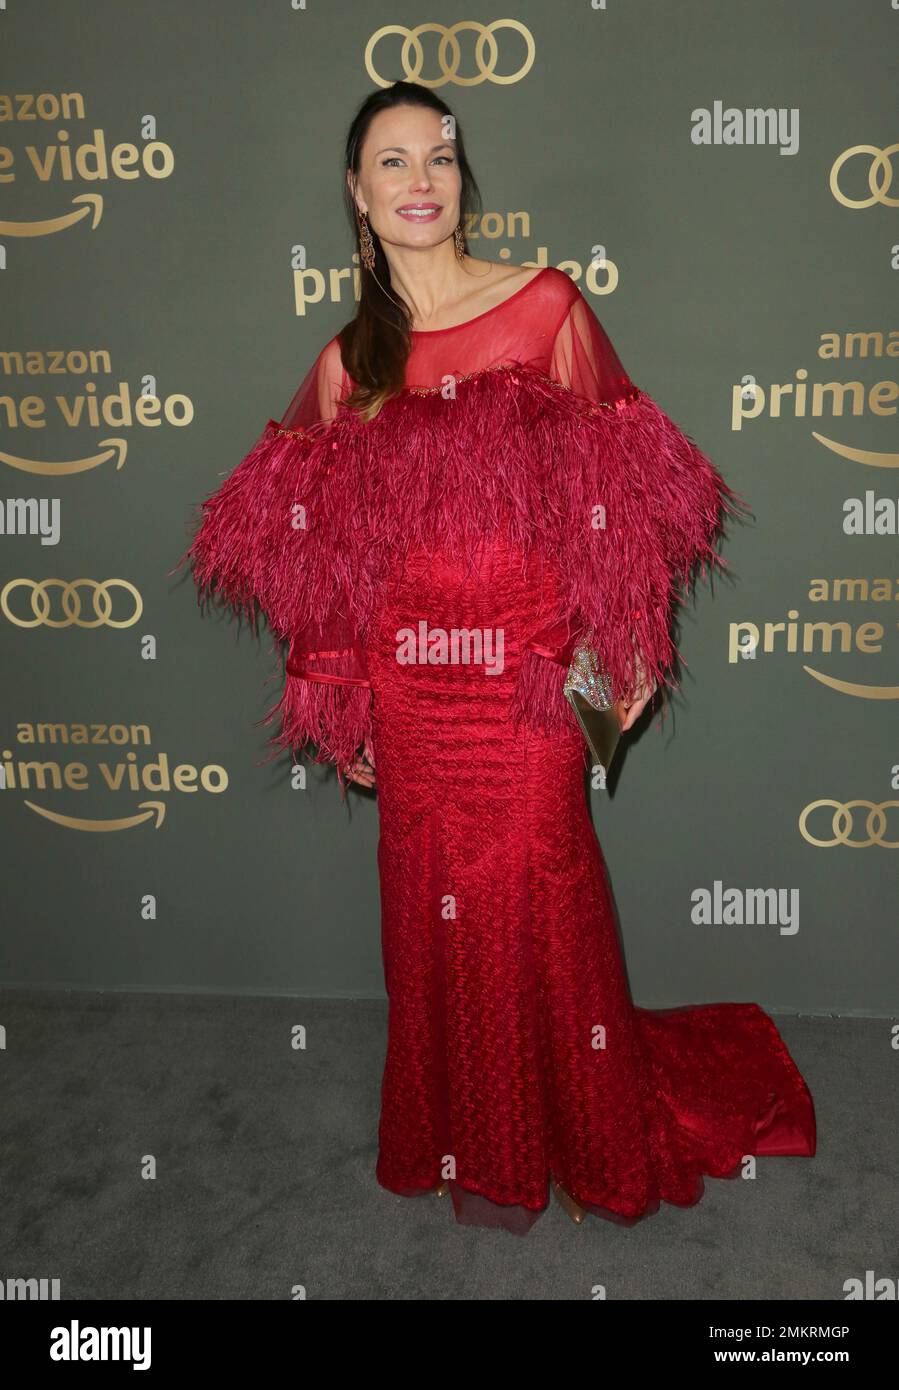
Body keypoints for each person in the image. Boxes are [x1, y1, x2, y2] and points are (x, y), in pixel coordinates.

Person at [179, 80, 816, 1234]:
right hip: (410, 688)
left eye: (439, 156)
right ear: (356, 196)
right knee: (433, 910)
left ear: (463, 181)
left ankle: (582, 1129)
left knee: (543, 890)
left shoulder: (543, 306)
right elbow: (307, 556)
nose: (419, 178)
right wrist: (344, 699)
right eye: (391, 161)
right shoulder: (344, 366)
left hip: (527, 670)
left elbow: (624, 500)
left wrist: (618, 647)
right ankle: (465, 1136)